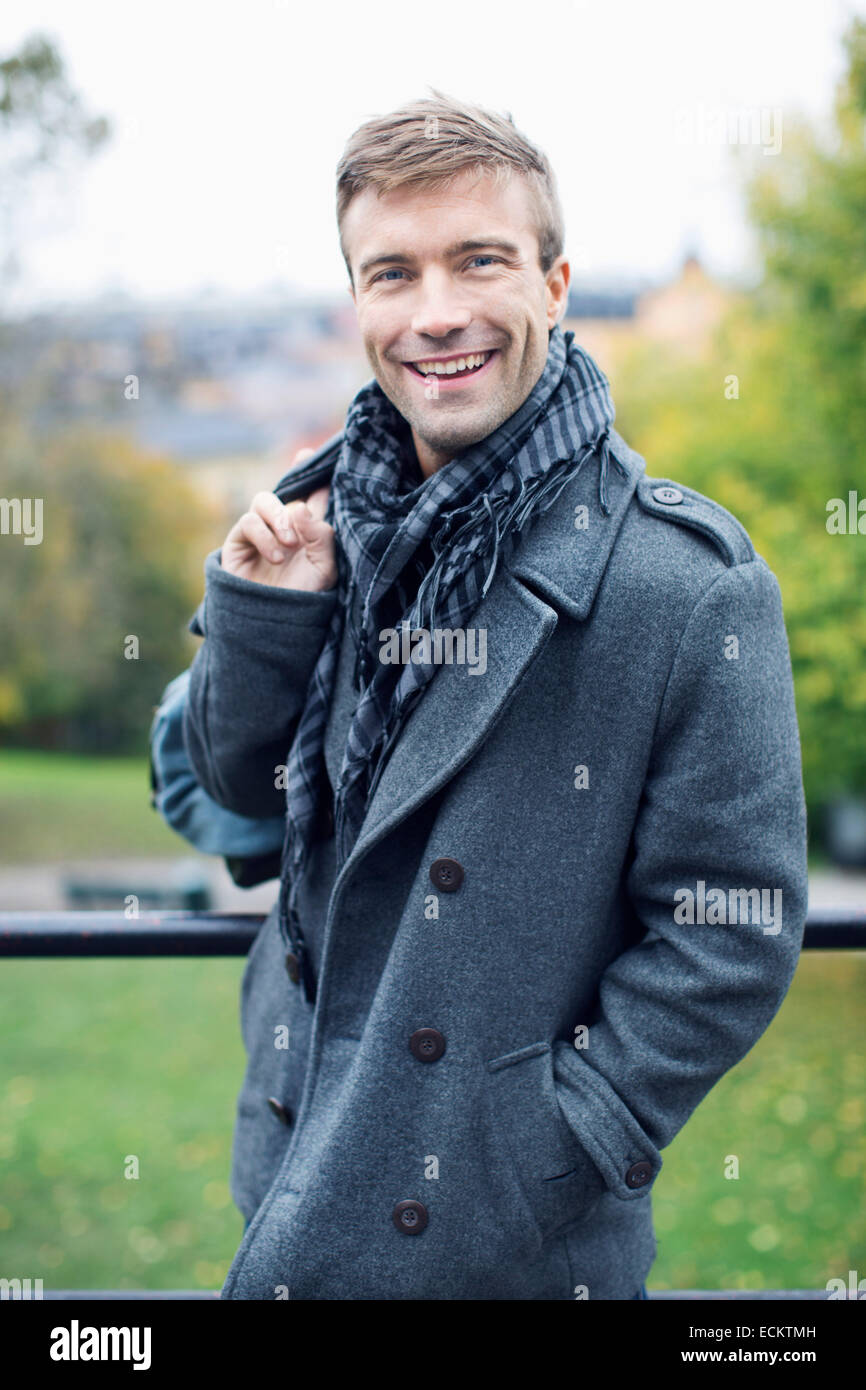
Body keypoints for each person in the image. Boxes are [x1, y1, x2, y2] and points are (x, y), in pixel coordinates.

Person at [181, 90, 808, 1300]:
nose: (437, 315)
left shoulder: (680, 586)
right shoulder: (326, 524)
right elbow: (241, 794)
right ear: (354, 301)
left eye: (479, 261)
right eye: (391, 273)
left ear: (555, 285)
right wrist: (267, 614)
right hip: (299, 1158)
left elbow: (728, 926)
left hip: (512, 1243)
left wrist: (542, 1147)